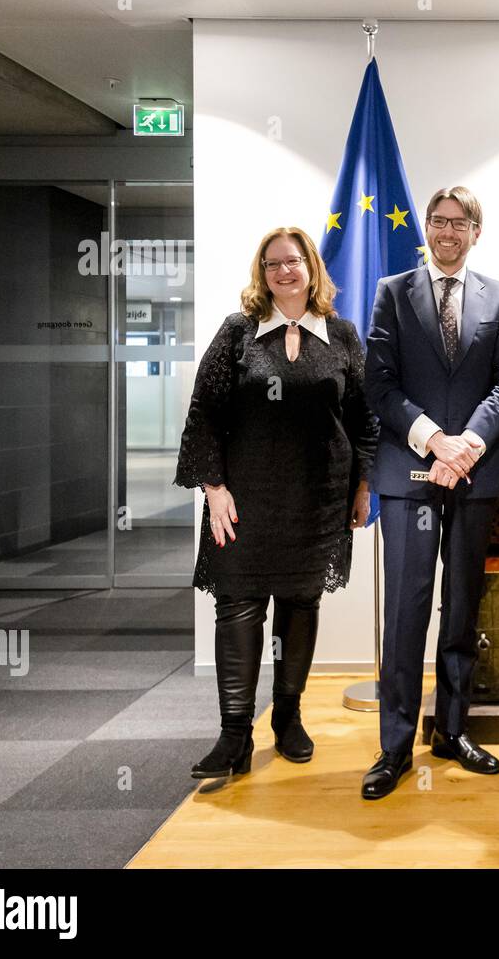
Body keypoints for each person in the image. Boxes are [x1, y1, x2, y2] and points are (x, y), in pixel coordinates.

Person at [174, 226, 378, 781]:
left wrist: (363, 485)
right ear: (261, 274)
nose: (283, 271)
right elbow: (204, 412)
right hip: (244, 498)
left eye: (292, 261)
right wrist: (214, 488)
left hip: (318, 499)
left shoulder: (341, 335)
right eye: (272, 264)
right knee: (237, 606)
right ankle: (234, 735)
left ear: (311, 267)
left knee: (299, 604)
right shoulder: (238, 331)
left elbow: (364, 417)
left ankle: (287, 717)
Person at [361, 186, 499, 800]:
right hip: (410, 472)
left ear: (476, 231)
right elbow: (379, 384)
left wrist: (468, 446)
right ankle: (395, 746)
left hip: (474, 475)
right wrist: (435, 441)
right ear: (426, 227)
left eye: (459, 222)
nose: (447, 231)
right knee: (405, 612)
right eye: (438, 221)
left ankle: (452, 731)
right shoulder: (392, 292)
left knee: (461, 610)